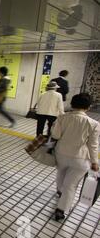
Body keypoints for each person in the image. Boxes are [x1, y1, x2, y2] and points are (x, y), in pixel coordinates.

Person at [51, 93, 99, 222]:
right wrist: (95, 162)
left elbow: (55, 135)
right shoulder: (93, 123)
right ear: (88, 107)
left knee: (61, 173)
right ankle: (61, 210)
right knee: (71, 185)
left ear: (72, 104)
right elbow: (93, 145)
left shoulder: (62, 117)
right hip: (80, 159)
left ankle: (60, 192)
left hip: (61, 153)